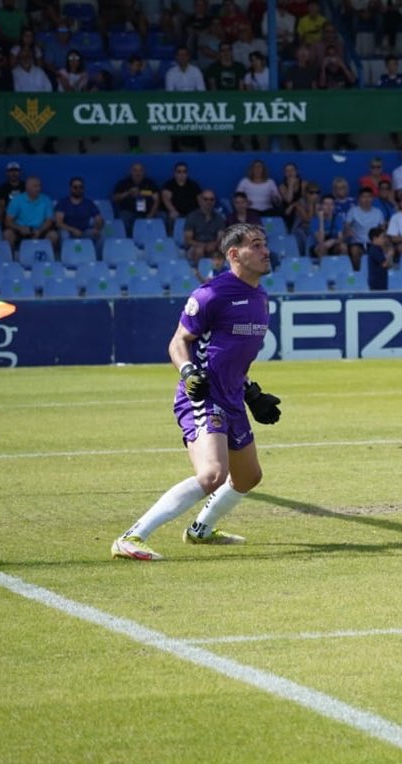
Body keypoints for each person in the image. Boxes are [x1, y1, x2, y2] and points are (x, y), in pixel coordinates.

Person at [111, 224, 281, 561]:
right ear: (234, 254)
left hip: (232, 396)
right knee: (213, 474)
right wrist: (188, 373)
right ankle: (132, 537)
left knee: (249, 476)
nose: (266, 251)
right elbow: (178, 342)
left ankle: (201, 529)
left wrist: (251, 392)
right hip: (203, 397)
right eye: (257, 245)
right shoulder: (211, 295)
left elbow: (232, 358)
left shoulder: (261, 298)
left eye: (265, 245)